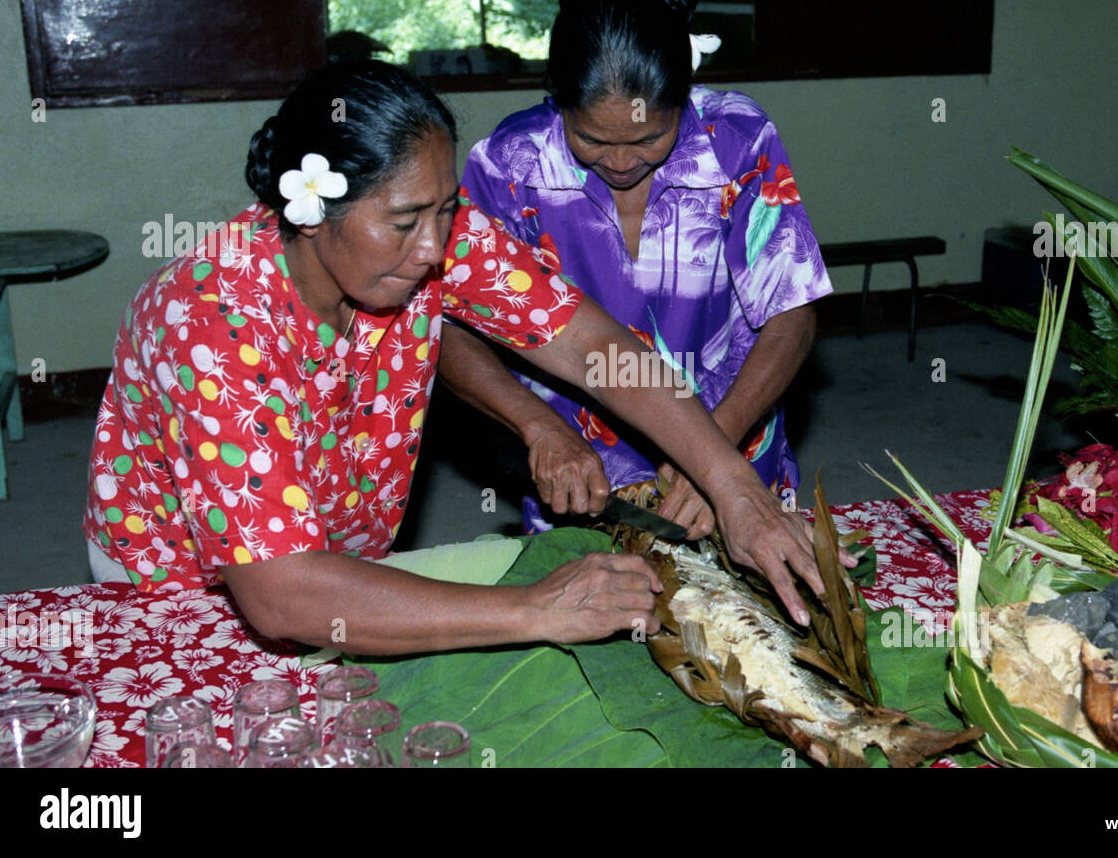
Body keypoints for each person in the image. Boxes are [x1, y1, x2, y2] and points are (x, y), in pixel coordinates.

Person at [82, 59, 828, 657]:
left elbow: (596, 348)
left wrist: (734, 487)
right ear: (309, 213)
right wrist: (534, 608)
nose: (438, 248)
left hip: (344, 562)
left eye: (445, 210)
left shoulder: (436, 239)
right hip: (188, 589)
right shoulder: (211, 320)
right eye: (406, 221)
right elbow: (282, 593)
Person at [440, 0, 831, 541]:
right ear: (558, 98)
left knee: (749, 621)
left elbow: (790, 314)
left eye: (650, 137)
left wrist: (713, 459)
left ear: (685, 94)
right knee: (586, 614)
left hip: (733, 432)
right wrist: (538, 426)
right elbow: (452, 325)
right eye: (591, 138)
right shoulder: (510, 165)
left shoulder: (737, 141)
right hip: (583, 471)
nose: (621, 162)